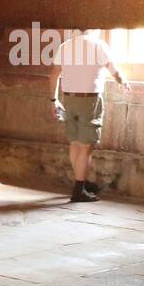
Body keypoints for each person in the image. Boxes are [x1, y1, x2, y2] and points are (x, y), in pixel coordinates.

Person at [46, 29, 130, 202]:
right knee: (86, 146)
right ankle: (79, 190)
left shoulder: (66, 45)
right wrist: (124, 82)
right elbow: (114, 72)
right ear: (95, 30)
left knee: (75, 143)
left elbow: (54, 74)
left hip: (69, 99)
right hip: (89, 101)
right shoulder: (99, 45)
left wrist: (53, 100)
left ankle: (80, 182)